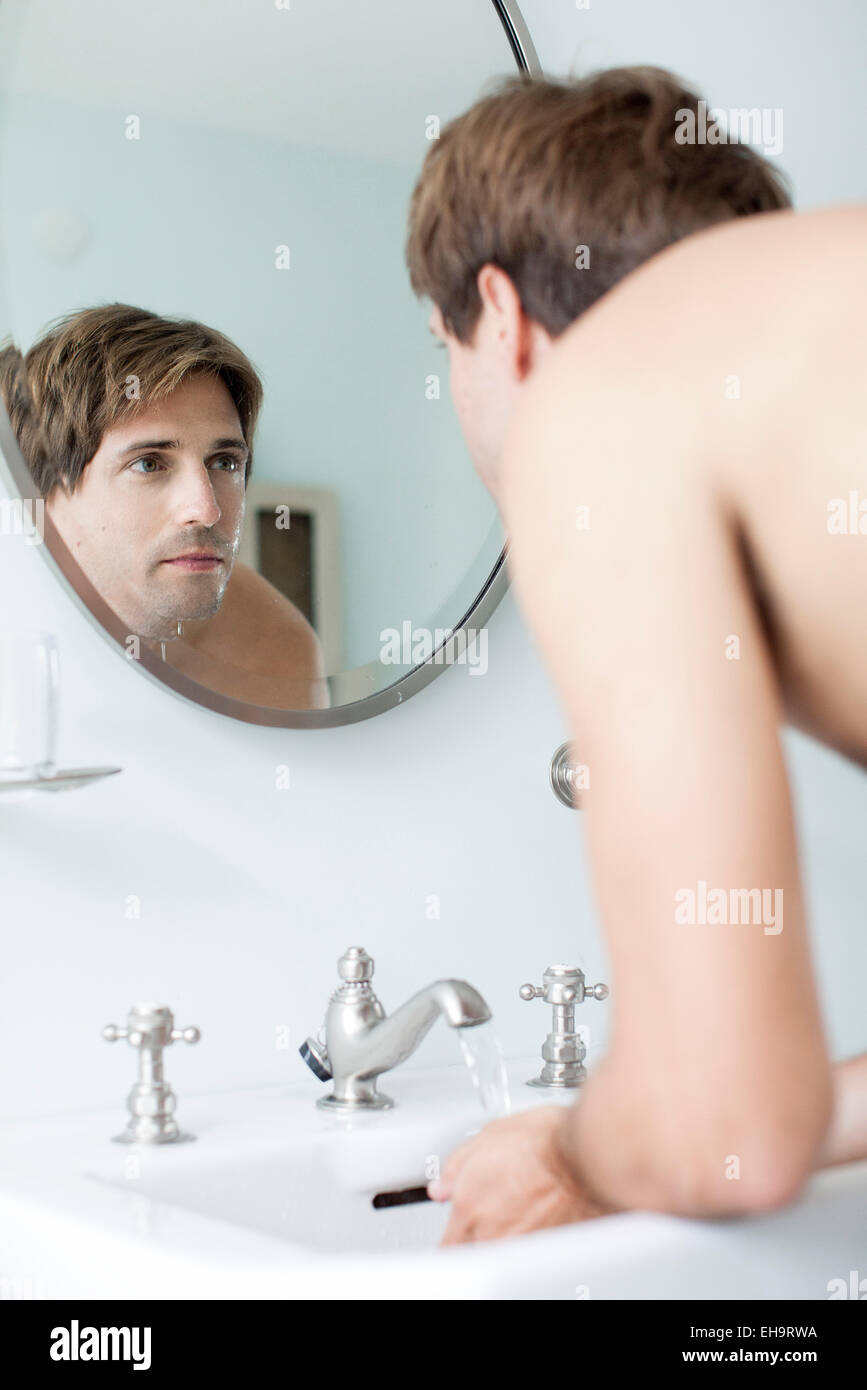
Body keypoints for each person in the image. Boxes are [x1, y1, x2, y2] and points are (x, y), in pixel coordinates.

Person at [405, 66, 867, 1242]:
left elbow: (731, 1128)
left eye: (439, 345)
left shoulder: (602, 397)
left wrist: (571, 1151)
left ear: (501, 319)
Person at [0, 304, 327, 708]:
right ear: (44, 493)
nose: (206, 510)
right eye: (149, 464)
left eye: (224, 462)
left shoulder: (273, 645)